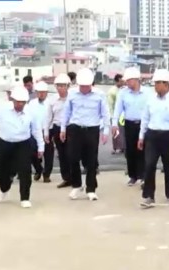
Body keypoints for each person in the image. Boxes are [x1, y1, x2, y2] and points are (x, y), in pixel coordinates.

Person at [60, 68, 110, 201]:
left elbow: (105, 113)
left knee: (91, 161)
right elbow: (66, 112)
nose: (83, 89)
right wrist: (63, 129)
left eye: (86, 86)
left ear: (91, 84)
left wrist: (106, 131)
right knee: (72, 158)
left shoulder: (99, 95)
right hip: (75, 128)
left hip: (92, 129)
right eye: (81, 86)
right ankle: (76, 185)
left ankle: (91, 189)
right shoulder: (72, 93)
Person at [138, 69, 169, 208]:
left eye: (158, 83)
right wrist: (141, 136)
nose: (156, 86)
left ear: (167, 84)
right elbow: (145, 119)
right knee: (149, 165)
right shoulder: (150, 100)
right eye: (155, 83)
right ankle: (148, 196)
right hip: (152, 135)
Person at [112, 67, 147, 186]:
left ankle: (143, 175)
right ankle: (133, 175)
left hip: (144, 125)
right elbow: (118, 109)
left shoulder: (147, 93)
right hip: (129, 124)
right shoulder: (123, 93)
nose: (126, 82)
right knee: (130, 151)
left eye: (129, 80)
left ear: (136, 80)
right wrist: (114, 124)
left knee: (143, 150)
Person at [46, 73, 72, 188]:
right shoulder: (52, 101)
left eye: (63, 85)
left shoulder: (73, 99)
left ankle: (74, 177)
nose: (61, 88)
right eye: (59, 86)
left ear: (68, 86)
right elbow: (48, 118)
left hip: (71, 128)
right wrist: (47, 132)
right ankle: (66, 178)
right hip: (57, 128)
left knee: (71, 154)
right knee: (62, 155)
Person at [27, 81, 50, 181]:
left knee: (49, 154)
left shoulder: (50, 103)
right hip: (35, 131)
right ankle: (38, 169)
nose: (41, 94)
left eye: (43, 92)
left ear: (47, 93)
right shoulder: (31, 103)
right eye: (39, 92)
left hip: (48, 130)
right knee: (33, 153)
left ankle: (46, 175)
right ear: (36, 92)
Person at [107, 74, 125, 154]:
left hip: (123, 115)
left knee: (122, 131)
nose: (122, 83)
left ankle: (122, 147)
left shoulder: (123, 90)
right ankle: (115, 148)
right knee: (116, 132)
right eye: (121, 81)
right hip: (114, 114)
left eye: (123, 81)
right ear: (116, 81)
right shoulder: (112, 91)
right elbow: (110, 104)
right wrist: (111, 116)